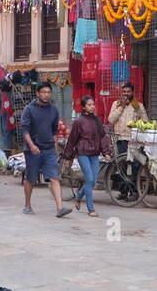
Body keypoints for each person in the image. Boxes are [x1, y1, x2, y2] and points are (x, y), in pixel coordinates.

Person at [21, 82, 70, 217]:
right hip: (33, 150)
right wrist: (32, 146)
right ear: (38, 93)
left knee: (54, 177)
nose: (46, 95)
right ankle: (27, 205)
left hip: (49, 150)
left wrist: (55, 149)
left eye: (48, 92)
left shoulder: (54, 109)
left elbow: (54, 131)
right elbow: (25, 131)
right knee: (31, 178)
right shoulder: (29, 109)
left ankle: (60, 208)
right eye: (43, 92)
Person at [64, 95, 111, 217]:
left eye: (93, 104)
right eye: (89, 105)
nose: (92, 107)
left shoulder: (97, 121)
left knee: (93, 181)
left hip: (94, 154)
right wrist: (67, 157)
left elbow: (102, 137)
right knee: (89, 179)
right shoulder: (79, 122)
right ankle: (91, 209)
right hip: (83, 153)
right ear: (84, 107)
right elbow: (72, 140)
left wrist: (106, 152)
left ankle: (79, 196)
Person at [108, 81, 147, 200]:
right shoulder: (116, 104)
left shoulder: (138, 105)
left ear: (132, 92)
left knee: (135, 166)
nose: (126, 94)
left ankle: (135, 192)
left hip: (134, 140)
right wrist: (121, 107)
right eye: (124, 92)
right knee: (122, 165)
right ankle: (123, 192)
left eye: (128, 92)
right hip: (120, 139)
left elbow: (145, 122)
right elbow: (111, 120)